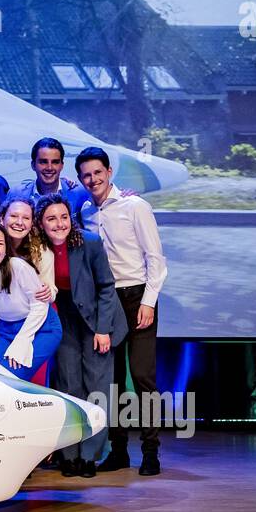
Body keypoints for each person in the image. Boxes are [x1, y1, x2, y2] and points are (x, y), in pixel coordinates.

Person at [75, 146, 168, 477]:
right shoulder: (83, 211)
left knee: (142, 376)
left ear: (109, 172)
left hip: (136, 297)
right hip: (106, 302)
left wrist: (149, 301)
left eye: (98, 172)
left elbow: (155, 258)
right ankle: (118, 450)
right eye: (86, 174)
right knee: (111, 381)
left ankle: (151, 452)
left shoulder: (135, 205)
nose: (92, 179)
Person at [36, 194, 126, 478]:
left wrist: (103, 329)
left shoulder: (89, 242)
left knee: (96, 388)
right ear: (41, 223)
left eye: (63, 217)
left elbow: (106, 287)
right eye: (51, 218)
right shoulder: (37, 248)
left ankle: (90, 456)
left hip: (95, 321)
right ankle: (70, 455)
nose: (59, 223)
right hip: (62, 321)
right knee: (68, 385)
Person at [0, 222, 63, 386]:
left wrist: (23, 340)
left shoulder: (18, 267)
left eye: (0, 244)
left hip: (42, 327)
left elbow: (39, 306)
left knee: (7, 381)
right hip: (8, 329)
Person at [21, 136, 91, 221]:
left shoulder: (79, 193)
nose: (49, 168)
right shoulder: (17, 194)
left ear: (61, 165)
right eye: (43, 162)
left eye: (55, 162)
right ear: (33, 165)